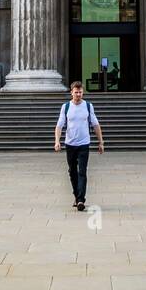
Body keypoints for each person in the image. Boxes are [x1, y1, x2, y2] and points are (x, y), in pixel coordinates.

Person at [54, 80, 104, 210]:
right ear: (71, 92)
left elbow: (95, 125)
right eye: (76, 92)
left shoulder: (88, 106)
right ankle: (76, 196)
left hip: (84, 144)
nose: (78, 95)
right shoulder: (66, 107)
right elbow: (59, 125)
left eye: (80, 92)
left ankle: (81, 199)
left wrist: (101, 142)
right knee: (72, 172)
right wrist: (57, 141)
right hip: (70, 144)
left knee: (82, 171)